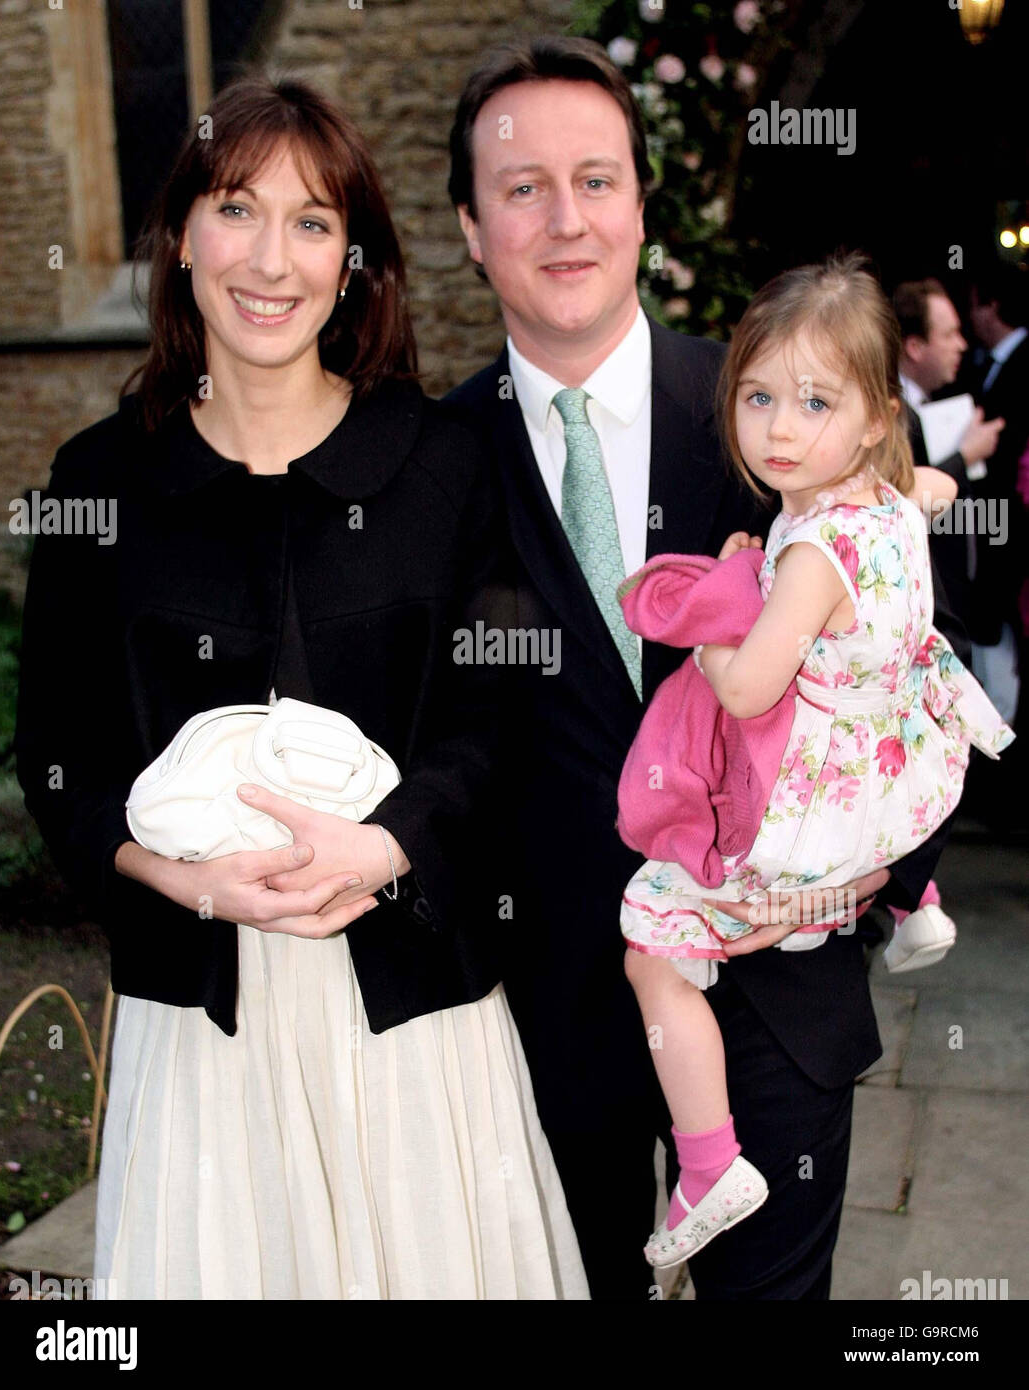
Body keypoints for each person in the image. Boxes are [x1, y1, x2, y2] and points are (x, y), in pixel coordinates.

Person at [14, 74, 588, 1301]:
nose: (271, 258)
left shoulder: (444, 466)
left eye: (313, 220)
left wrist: (387, 847)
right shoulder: (100, 480)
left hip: (412, 1017)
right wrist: (170, 873)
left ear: (353, 260)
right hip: (202, 1021)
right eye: (236, 209)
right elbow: (56, 746)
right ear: (180, 241)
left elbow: (497, 715)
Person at [444, 34, 964, 1300]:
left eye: (595, 180)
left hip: (780, 981)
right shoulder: (421, 461)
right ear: (468, 227)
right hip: (535, 1019)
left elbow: (896, 649)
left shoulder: (776, 413)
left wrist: (869, 867)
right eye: (522, 189)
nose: (564, 220)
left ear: (639, 202)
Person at [619, 256, 1013, 1269]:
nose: (779, 428)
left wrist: (708, 627)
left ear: (875, 415)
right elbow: (932, 484)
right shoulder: (887, 495)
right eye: (757, 397)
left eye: (811, 401)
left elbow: (747, 688)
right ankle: (911, 899)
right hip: (889, 771)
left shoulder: (806, 554)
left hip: (802, 814)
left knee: (652, 950)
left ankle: (709, 1167)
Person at [894, 276, 1003, 631]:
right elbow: (899, 498)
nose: (961, 345)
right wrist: (966, 456)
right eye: (948, 334)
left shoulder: (928, 407)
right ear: (914, 346)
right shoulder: (889, 416)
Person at [966, 262, 1029, 726]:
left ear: (991, 306)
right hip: (995, 532)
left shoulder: (1026, 363)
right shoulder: (991, 366)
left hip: (1013, 530)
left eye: (973, 306)